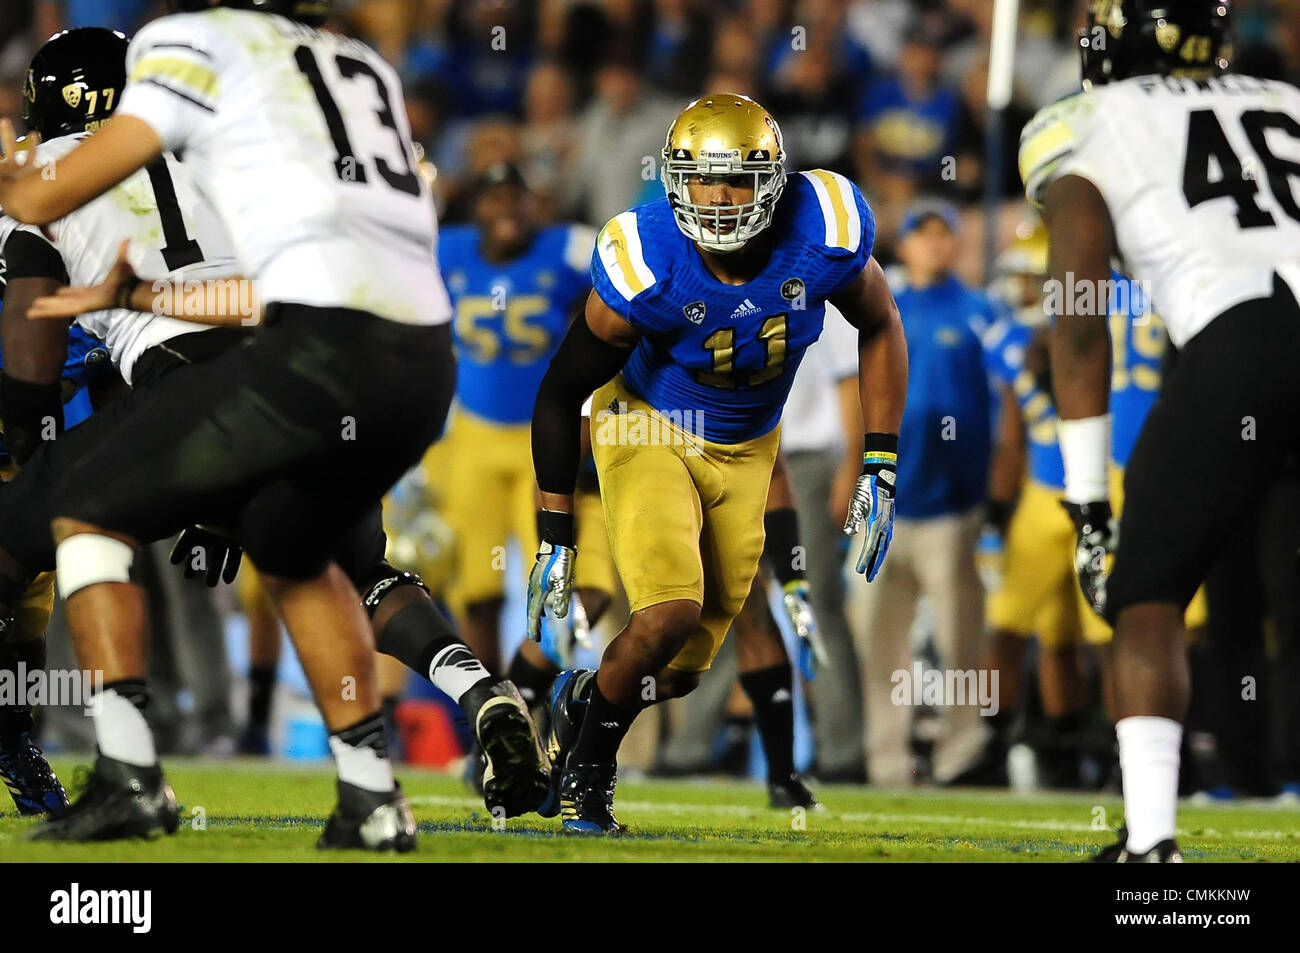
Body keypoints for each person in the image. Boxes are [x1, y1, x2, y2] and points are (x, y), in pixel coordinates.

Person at [0, 3, 540, 848]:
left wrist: (29, 430)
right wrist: (141, 299)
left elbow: (30, 336)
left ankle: (125, 768)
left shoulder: (188, 68)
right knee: (313, 553)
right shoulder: (305, 103)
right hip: (375, 357)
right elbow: (260, 289)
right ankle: (379, 786)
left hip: (224, 378)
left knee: (71, 509)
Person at [528, 93, 907, 833]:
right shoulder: (649, 259)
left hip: (748, 448)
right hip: (647, 427)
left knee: (676, 670)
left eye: (738, 179)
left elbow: (882, 322)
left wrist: (880, 461)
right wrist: (555, 534)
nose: (722, 198)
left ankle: (581, 698)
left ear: (774, 179)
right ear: (676, 182)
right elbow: (560, 391)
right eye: (705, 180)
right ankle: (586, 783)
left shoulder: (822, 233)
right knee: (665, 613)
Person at [1020, 0, 1300, 860]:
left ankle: (1151, 844)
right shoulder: (1287, 101)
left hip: (1243, 335)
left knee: (1146, 593)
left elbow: (1075, 316)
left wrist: (1087, 499)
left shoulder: (1090, 120)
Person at [844, 200, 993, 787]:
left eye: (942, 235)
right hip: (883, 499)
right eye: (922, 234)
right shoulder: (876, 306)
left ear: (954, 243)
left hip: (952, 504)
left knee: (960, 638)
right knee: (878, 637)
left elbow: (1005, 402)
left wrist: (992, 490)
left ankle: (961, 754)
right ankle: (886, 762)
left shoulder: (981, 311)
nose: (933, 245)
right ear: (902, 245)